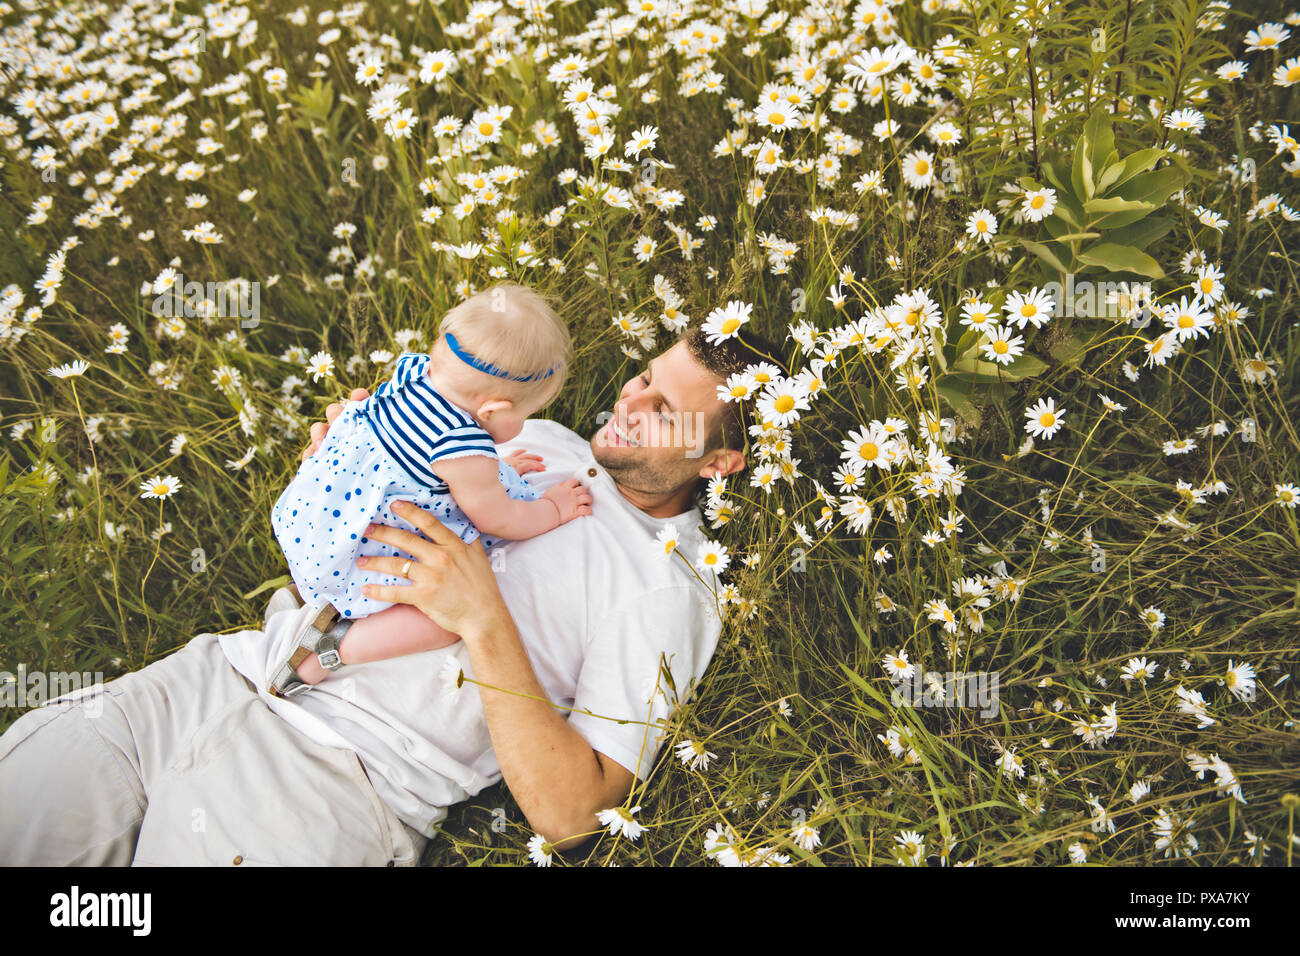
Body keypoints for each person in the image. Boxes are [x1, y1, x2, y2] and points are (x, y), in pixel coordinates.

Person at [0, 324, 784, 865]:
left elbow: (577, 813)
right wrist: (344, 462)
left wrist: (482, 619)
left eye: (667, 413)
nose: (631, 405)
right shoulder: (539, 439)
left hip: (333, 784)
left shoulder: (670, 584)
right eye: (644, 378)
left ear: (721, 462)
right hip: (222, 676)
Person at [271, 283, 591, 691]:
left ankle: (308, 596)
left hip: (309, 521)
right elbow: (497, 516)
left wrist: (489, 473)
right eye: (527, 415)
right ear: (494, 410)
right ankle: (331, 648)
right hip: (355, 550)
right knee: (443, 623)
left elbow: (430, 463)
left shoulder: (412, 373)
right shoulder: (461, 442)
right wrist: (553, 508)